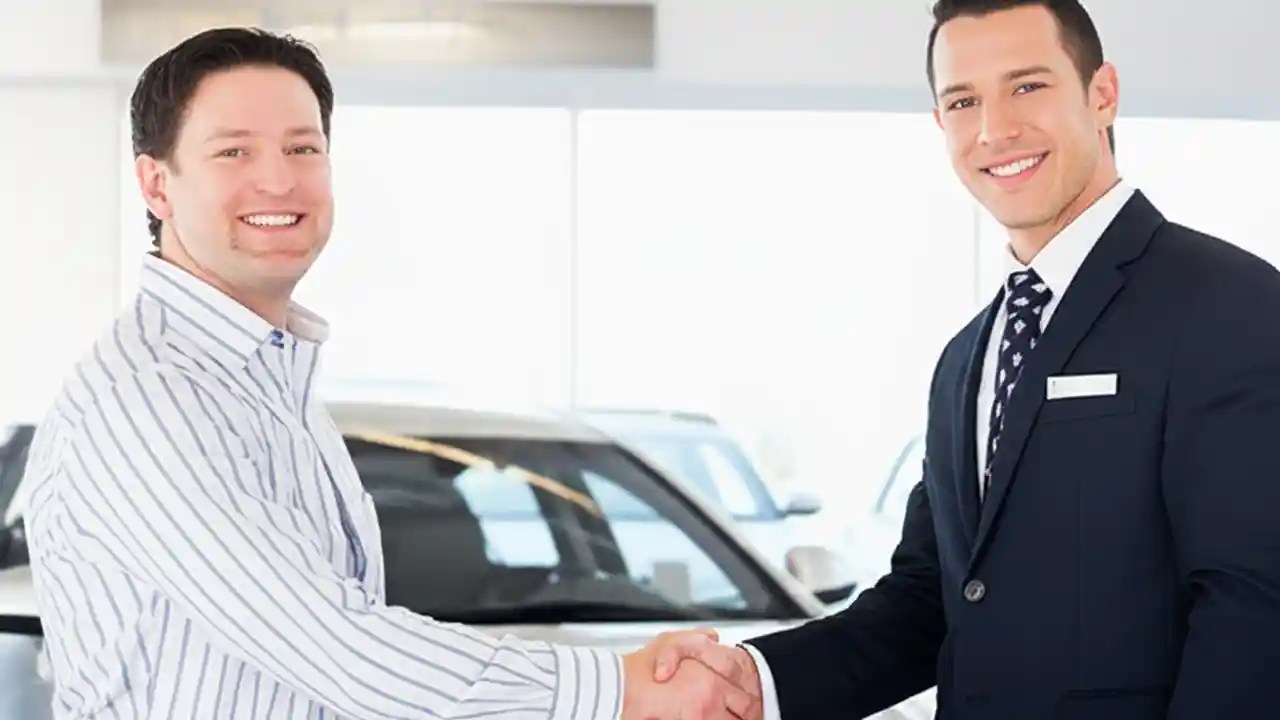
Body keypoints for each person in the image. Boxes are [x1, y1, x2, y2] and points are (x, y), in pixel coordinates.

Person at [20, 27, 755, 720]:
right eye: (233, 152)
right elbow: (327, 643)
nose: (278, 180)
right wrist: (614, 687)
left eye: (303, 148)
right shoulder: (147, 398)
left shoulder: (265, 381)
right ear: (157, 185)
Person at [649, 1, 1280, 717]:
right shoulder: (966, 361)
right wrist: (753, 678)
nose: (994, 129)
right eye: (963, 100)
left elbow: (1253, 612)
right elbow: (932, 601)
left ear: (1101, 93)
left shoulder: (1230, 307)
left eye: (1028, 86)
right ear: (938, 123)